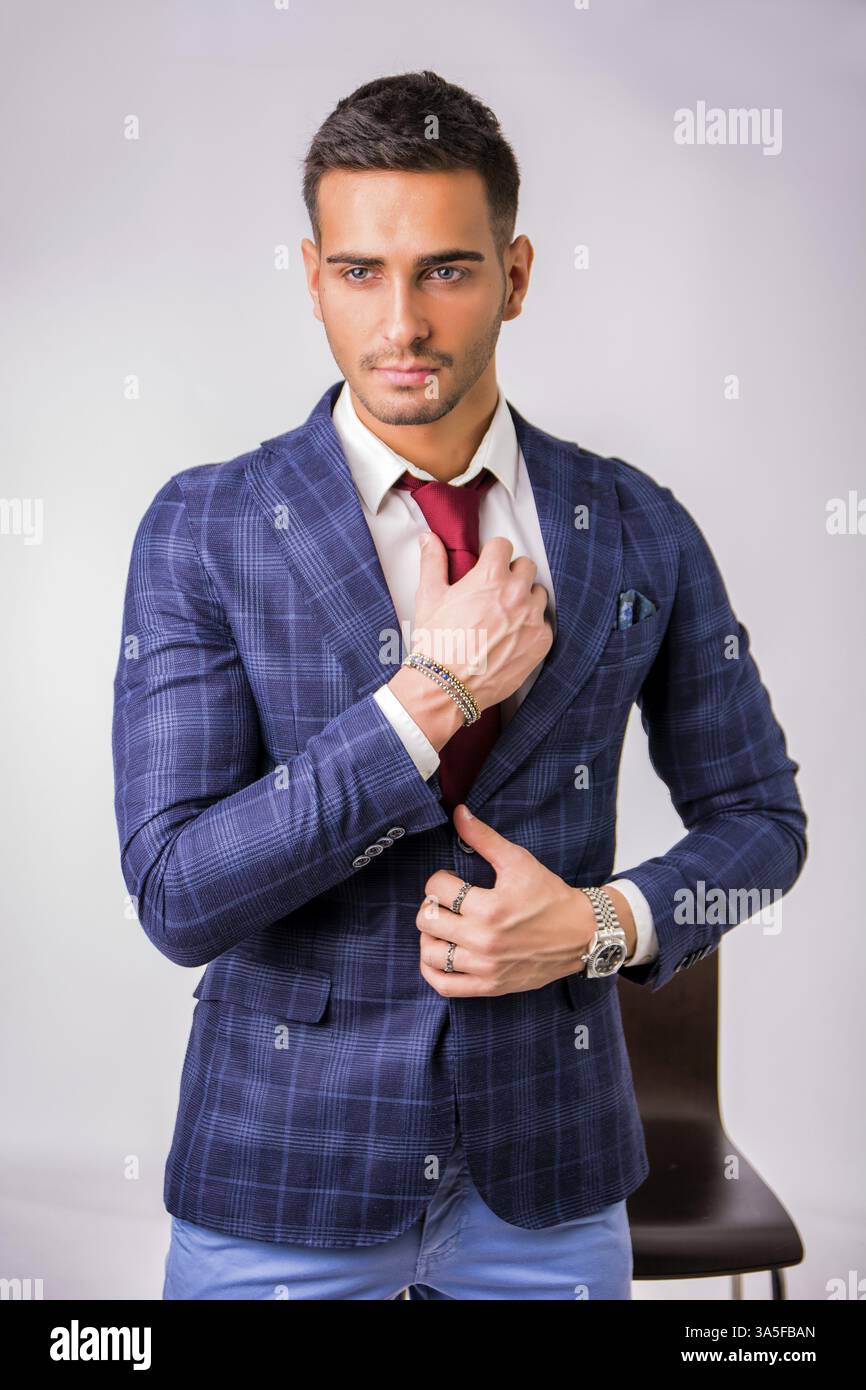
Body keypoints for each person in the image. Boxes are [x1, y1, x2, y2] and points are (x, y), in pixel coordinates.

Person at [111, 70, 807, 1300]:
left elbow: (761, 826)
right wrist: (423, 696)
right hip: (281, 1172)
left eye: (444, 269)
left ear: (517, 273)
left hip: (548, 1181)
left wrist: (598, 927)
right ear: (312, 273)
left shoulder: (637, 525)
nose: (401, 327)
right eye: (358, 273)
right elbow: (177, 895)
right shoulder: (204, 527)